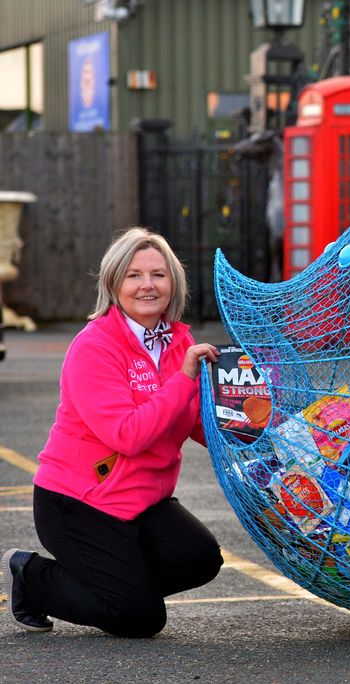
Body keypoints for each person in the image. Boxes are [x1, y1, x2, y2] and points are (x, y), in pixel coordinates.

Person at [3, 227, 222, 637]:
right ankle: (32, 576)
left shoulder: (179, 340)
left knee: (201, 557)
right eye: (133, 275)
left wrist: (254, 427)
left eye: (158, 274)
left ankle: (119, 587)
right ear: (113, 283)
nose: (147, 285)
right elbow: (128, 435)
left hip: (142, 500)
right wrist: (184, 377)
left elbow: (194, 419)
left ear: (173, 282)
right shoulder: (95, 346)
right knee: (140, 618)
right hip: (79, 502)